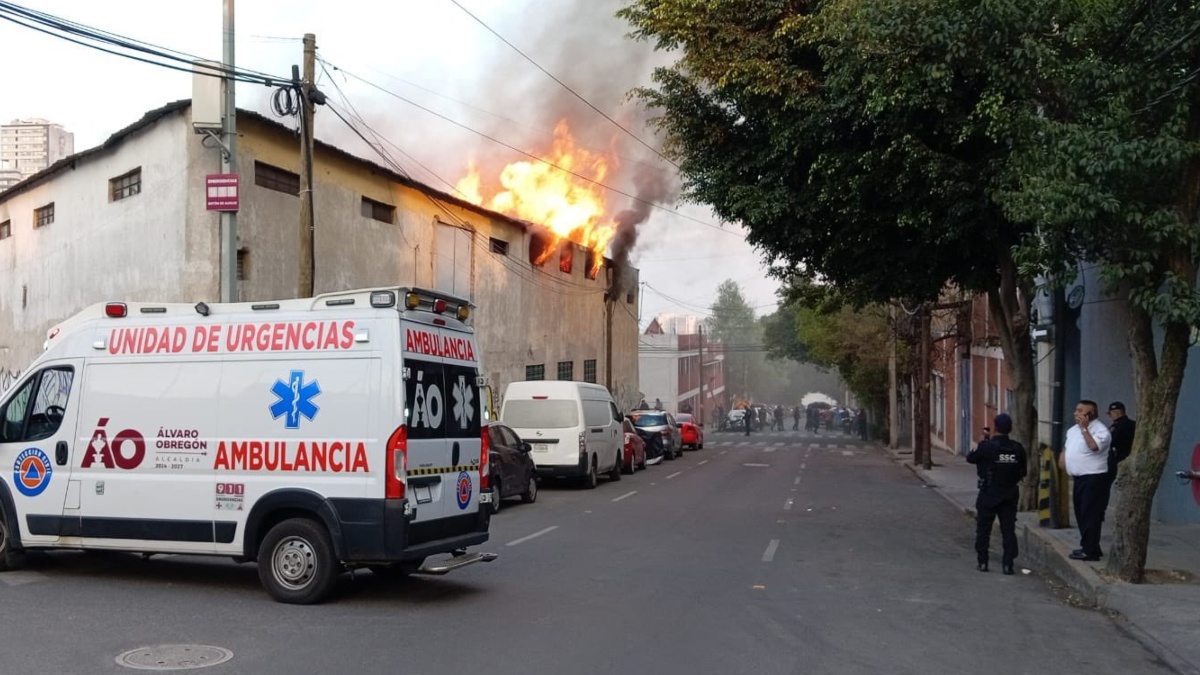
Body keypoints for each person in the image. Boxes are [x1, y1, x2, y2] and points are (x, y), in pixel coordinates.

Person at [967, 413, 1027, 574]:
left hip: (989, 493)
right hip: (1009, 493)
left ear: (994, 428)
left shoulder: (987, 447)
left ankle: (983, 562)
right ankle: (1008, 565)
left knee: (983, 529)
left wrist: (981, 442)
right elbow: (1023, 471)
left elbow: (971, 458)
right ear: (1010, 429)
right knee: (1008, 530)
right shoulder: (1017, 448)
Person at [1062, 399, 1112, 561]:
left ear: (1090, 414)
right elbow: (1068, 448)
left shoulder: (1100, 431)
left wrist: (1084, 429)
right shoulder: (1072, 430)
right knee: (1080, 513)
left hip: (1094, 478)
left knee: (1090, 514)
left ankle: (1090, 551)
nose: (1076, 413)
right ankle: (1089, 546)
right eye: (1076, 410)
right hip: (1079, 478)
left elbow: (1093, 446)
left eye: (1080, 411)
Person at [1102, 401, 1136, 515]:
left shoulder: (1117, 426)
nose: (1110, 416)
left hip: (1119, 460)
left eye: (1110, 413)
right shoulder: (1133, 424)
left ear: (1116, 412)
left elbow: (1110, 442)